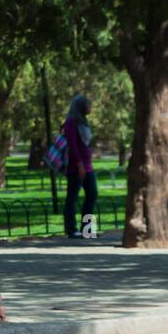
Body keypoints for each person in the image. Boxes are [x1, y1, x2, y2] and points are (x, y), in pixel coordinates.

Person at [61, 94, 97, 238]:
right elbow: (73, 145)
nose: (90, 107)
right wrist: (79, 164)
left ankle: (87, 229)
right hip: (76, 167)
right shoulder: (71, 122)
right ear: (80, 106)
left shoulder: (83, 122)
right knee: (72, 197)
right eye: (87, 104)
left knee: (92, 195)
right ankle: (71, 229)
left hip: (87, 166)